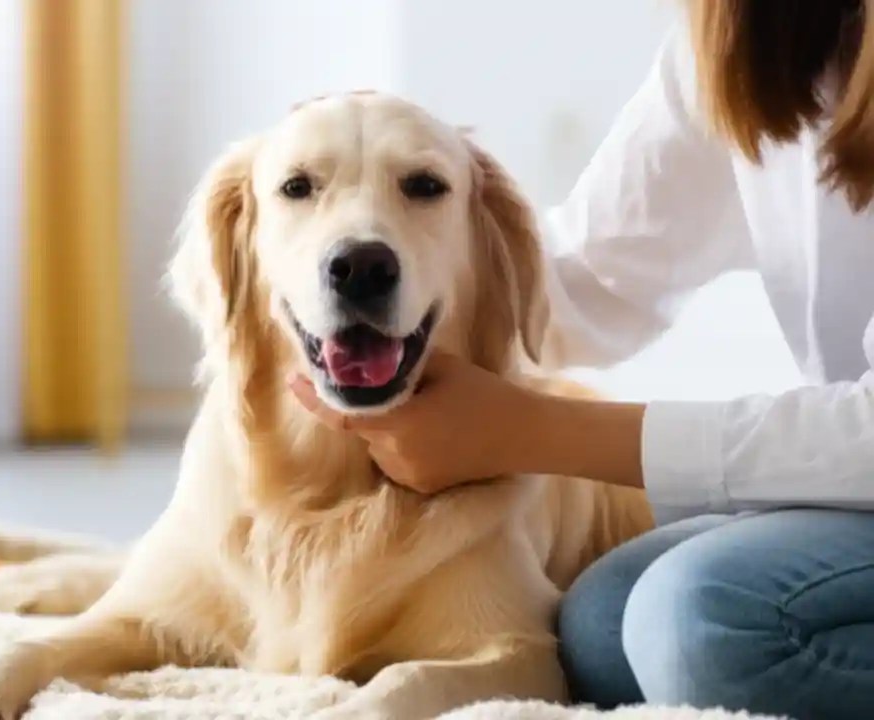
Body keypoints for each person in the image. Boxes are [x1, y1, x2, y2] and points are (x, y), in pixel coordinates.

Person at [289, 1, 874, 717]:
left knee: (698, 621)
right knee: (598, 624)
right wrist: (375, 214)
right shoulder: (749, 35)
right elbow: (579, 281)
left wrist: (525, 429)